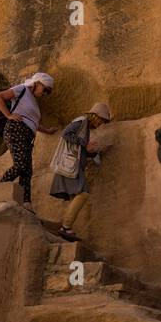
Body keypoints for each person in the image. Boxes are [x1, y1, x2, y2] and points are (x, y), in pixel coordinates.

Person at [0, 72, 56, 212]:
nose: (45, 93)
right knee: (21, 164)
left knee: (27, 171)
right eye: (45, 89)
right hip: (15, 130)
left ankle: (26, 203)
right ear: (37, 83)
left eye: (48, 92)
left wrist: (47, 131)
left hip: (27, 136)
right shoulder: (22, 89)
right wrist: (8, 115)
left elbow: (32, 122)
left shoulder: (34, 103)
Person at [49, 102, 112, 241]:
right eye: (101, 120)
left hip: (74, 166)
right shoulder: (81, 121)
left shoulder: (86, 129)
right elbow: (66, 134)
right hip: (70, 166)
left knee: (77, 196)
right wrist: (85, 144)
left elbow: (80, 149)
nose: (101, 124)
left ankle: (66, 227)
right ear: (95, 116)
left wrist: (93, 151)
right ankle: (65, 227)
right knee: (83, 194)